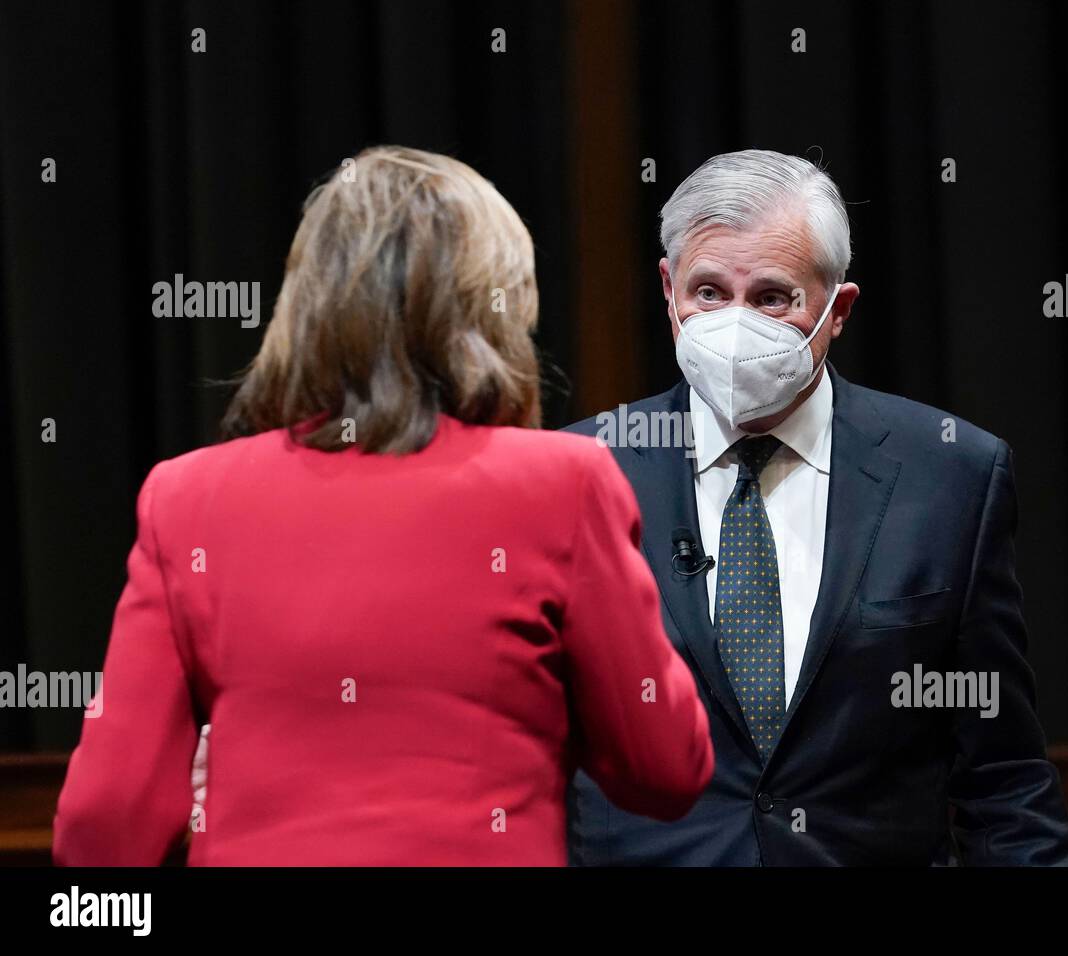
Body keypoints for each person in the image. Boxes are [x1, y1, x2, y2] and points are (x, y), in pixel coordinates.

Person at [52, 146, 713, 866]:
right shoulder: (563, 482)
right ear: (493, 308)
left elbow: (102, 826)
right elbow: (665, 770)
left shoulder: (186, 498)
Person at [565, 149, 1068, 865]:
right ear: (667, 289)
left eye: (773, 297)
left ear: (838, 310)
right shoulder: (573, 475)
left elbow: (1003, 773)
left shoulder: (951, 474)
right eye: (708, 291)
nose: (735, 324)